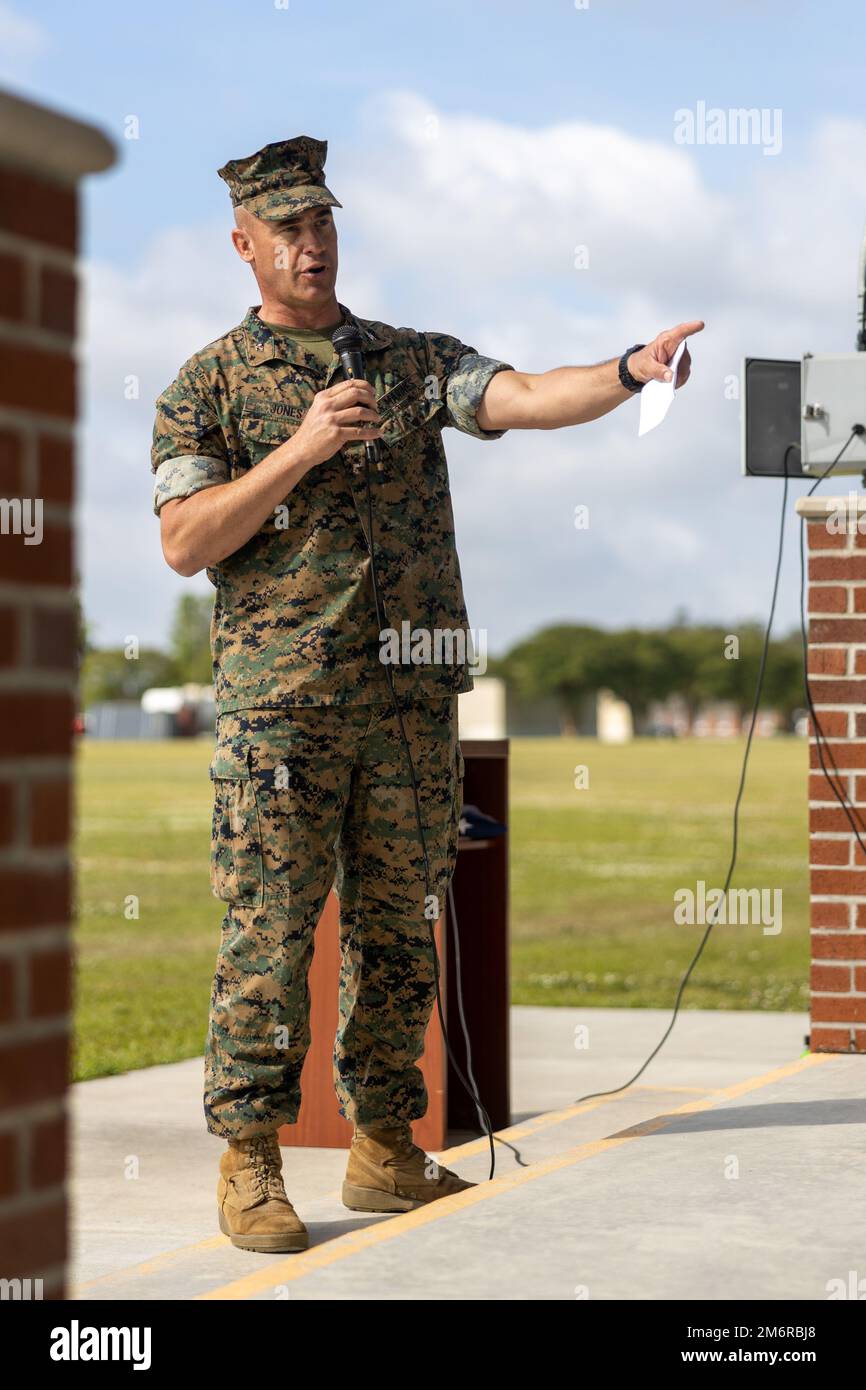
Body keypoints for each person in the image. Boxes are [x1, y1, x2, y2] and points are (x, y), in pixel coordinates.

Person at [152, 134, 703, 1254]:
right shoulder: (203, 385)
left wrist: (627, 370)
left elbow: (525, 395)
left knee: (399, 936)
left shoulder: (405, 359)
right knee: (269, 933)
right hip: (284, 710)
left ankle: (383, 1146)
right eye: (288, 228)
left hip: (408, 703)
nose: (311, 243)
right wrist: (298, 450)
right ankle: (250, 1163)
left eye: (323, 222)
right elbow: (183, 540)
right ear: (243, 243)